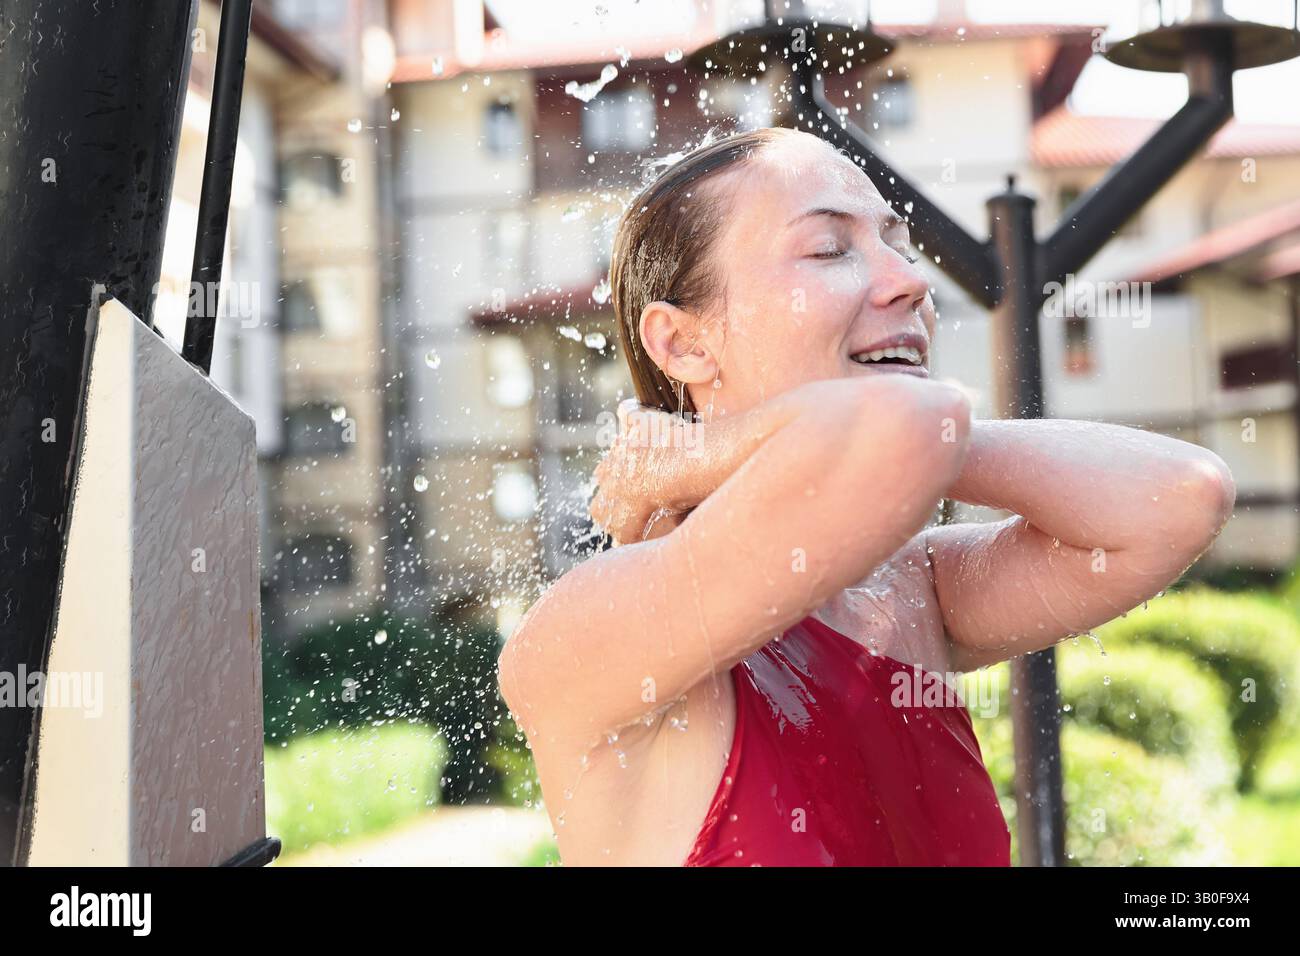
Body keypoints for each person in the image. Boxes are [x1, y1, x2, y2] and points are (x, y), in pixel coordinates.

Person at [497, 127, 1235, 866]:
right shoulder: (591, 633)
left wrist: (703, 452)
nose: (911, 282)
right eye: (829, 250)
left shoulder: (908, 595)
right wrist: (742, 451)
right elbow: (912, 430)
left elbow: (1181, 499)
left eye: (899, 245)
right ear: (686, 345)